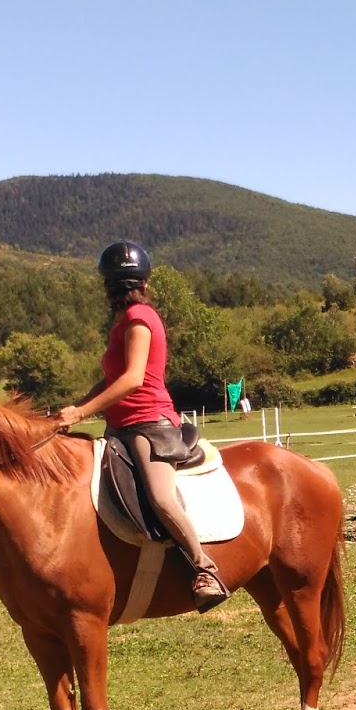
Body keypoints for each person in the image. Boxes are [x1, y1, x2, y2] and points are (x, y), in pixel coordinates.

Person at [54, 241, 229, 612]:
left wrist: (81, 413)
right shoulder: (122, 324)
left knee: (161, 497)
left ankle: (204, 567)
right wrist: (77, 406)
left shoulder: (139, 319)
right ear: (144, 283)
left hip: (150, 425)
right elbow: (111, 380)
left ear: (107, 288)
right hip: (119, 427)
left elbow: (132, 379)